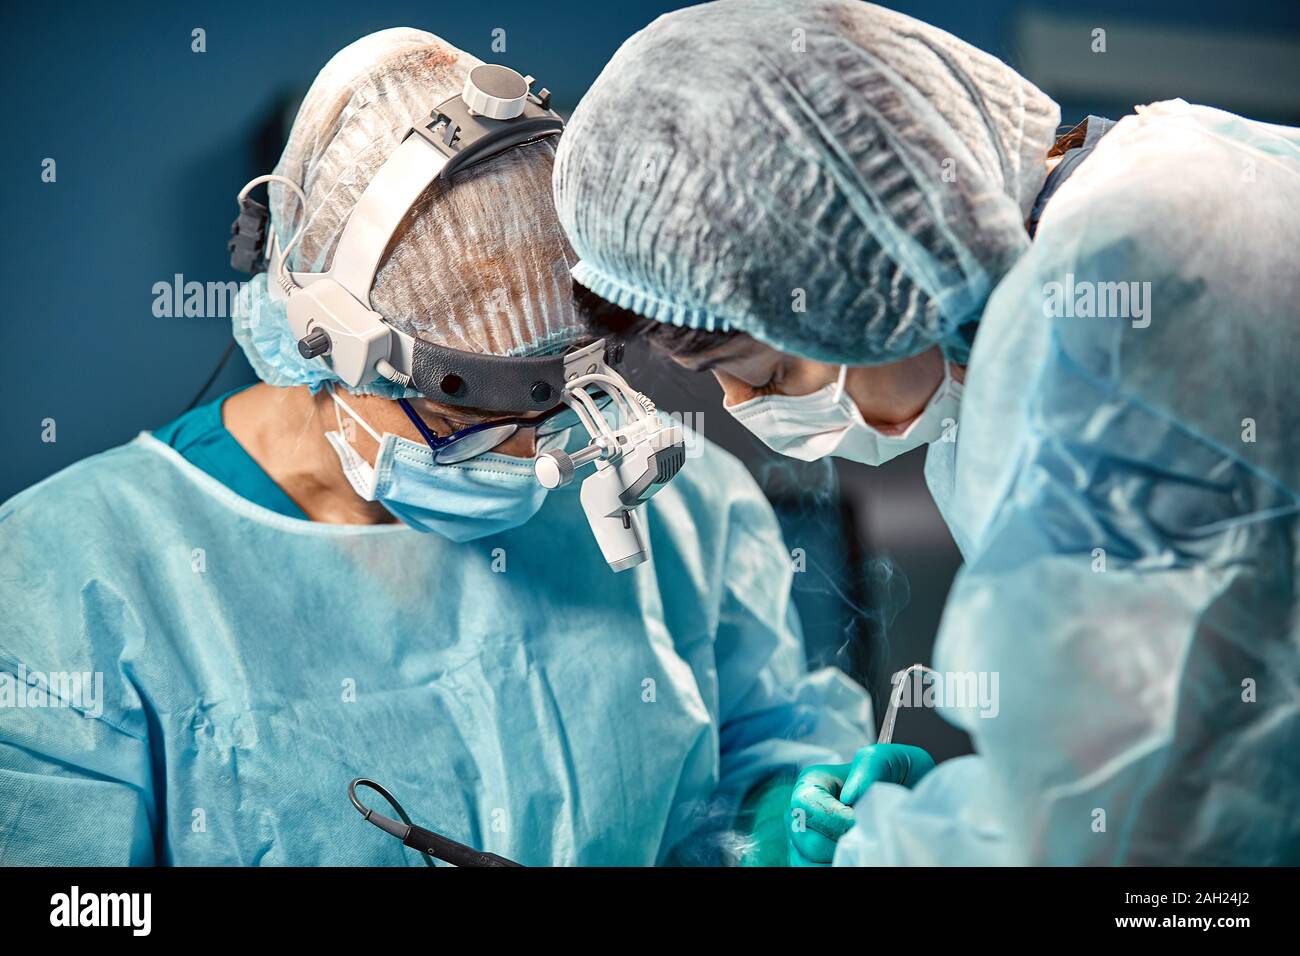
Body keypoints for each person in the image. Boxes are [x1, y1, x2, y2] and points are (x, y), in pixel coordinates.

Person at [0, 28, 872, 866]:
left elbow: (761, 752)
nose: (541, 456)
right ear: (330, 348)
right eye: (476, 418)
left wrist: (778, 831)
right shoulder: (69, 586)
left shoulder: (688, 512)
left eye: (565, 399)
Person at [552, 0, 1300, 864]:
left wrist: (888, 849)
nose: (743, 409)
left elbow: (1148, 823)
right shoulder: (1154, 195)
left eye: (765, 372)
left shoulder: (1117, 306)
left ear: (865, 256)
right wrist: (969, 798)